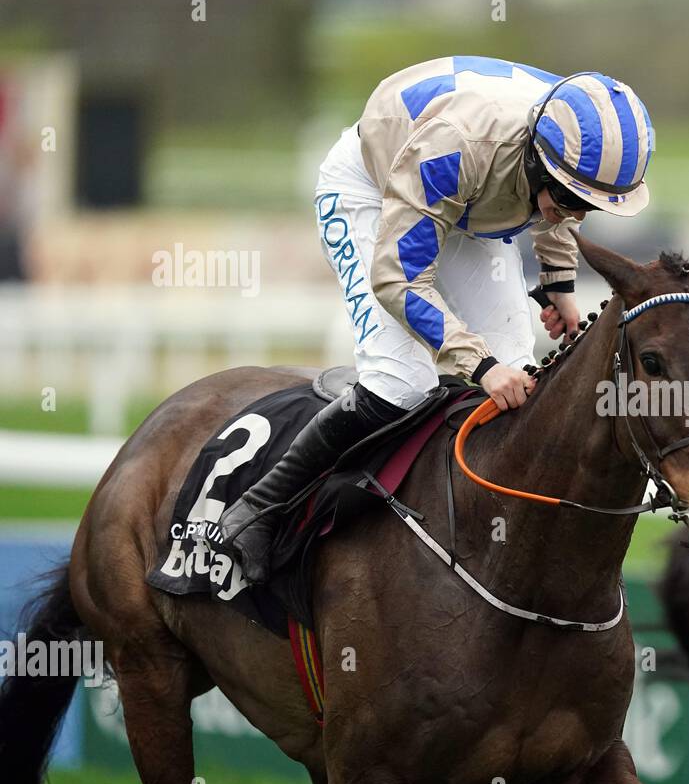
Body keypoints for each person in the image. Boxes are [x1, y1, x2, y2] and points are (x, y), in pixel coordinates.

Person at [219, 56, 654, 582]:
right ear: (538, 159)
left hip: (473, 200)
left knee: (520, 376)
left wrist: (558, 286)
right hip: (376, 189)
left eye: (592, 205)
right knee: (402, 380)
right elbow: (399, 279)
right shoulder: (458, 146)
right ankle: (258, 509)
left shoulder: (562, 147)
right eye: (569, 198)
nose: (577, 213)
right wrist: (479, 363)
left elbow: (560, 206)